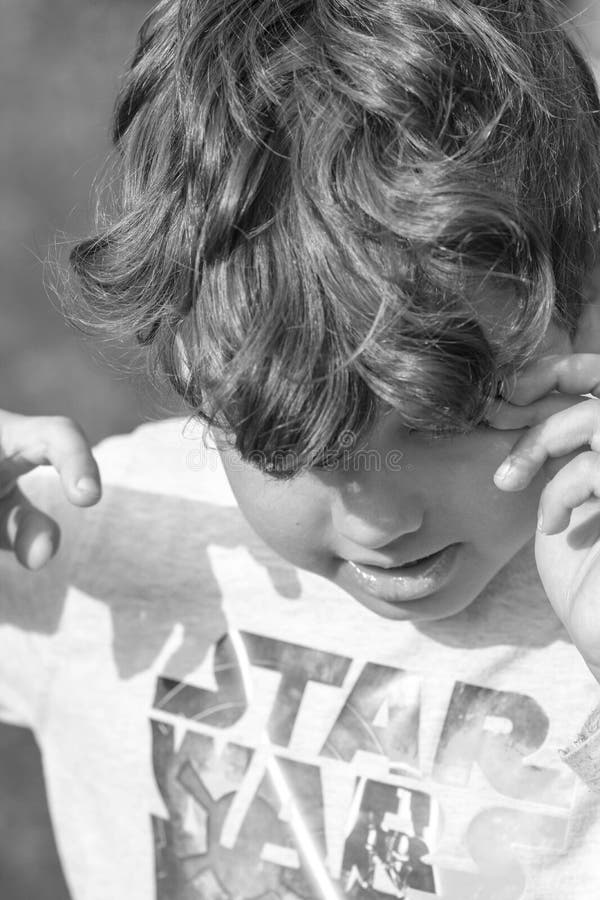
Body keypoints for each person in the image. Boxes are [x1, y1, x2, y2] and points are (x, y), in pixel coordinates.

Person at [4, 0, 600, 897]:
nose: (382, 523)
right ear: (195, 363)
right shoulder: (95, 538)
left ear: (584, 299)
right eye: (291, 439)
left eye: (446, 416)